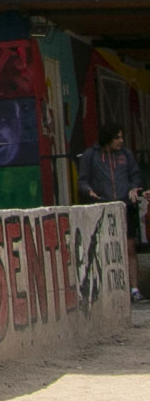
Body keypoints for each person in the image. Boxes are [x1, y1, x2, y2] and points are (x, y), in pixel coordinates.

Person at [75, 128, 145, 302]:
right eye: (117, 138)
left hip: (125, 205)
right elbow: (83, 180)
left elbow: (136, 177)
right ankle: (108, 289)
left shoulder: (126, 155)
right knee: (104, 248)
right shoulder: (91, 156)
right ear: (108, 139)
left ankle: (134, 289)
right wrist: (89, 192)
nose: (121, 141)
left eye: (121, 137)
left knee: (129, 247)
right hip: (102, 206)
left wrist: (133, 188)